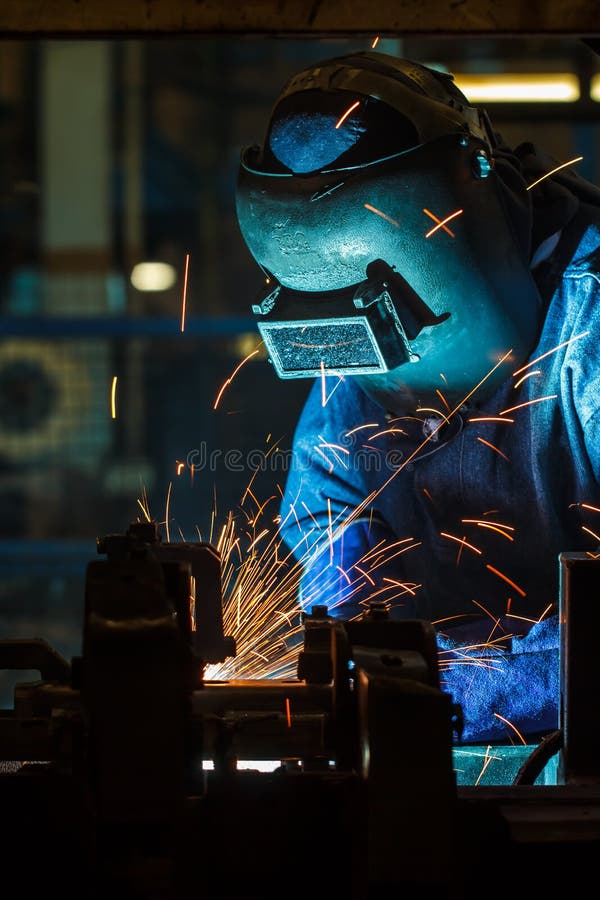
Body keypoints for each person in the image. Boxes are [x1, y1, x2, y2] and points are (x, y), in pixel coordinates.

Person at [234, 50, 600, 744]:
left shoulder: (591, 331)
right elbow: (328, 515)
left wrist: (434, 684)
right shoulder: (351, 334)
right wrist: (346, 634)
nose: (385, 371)